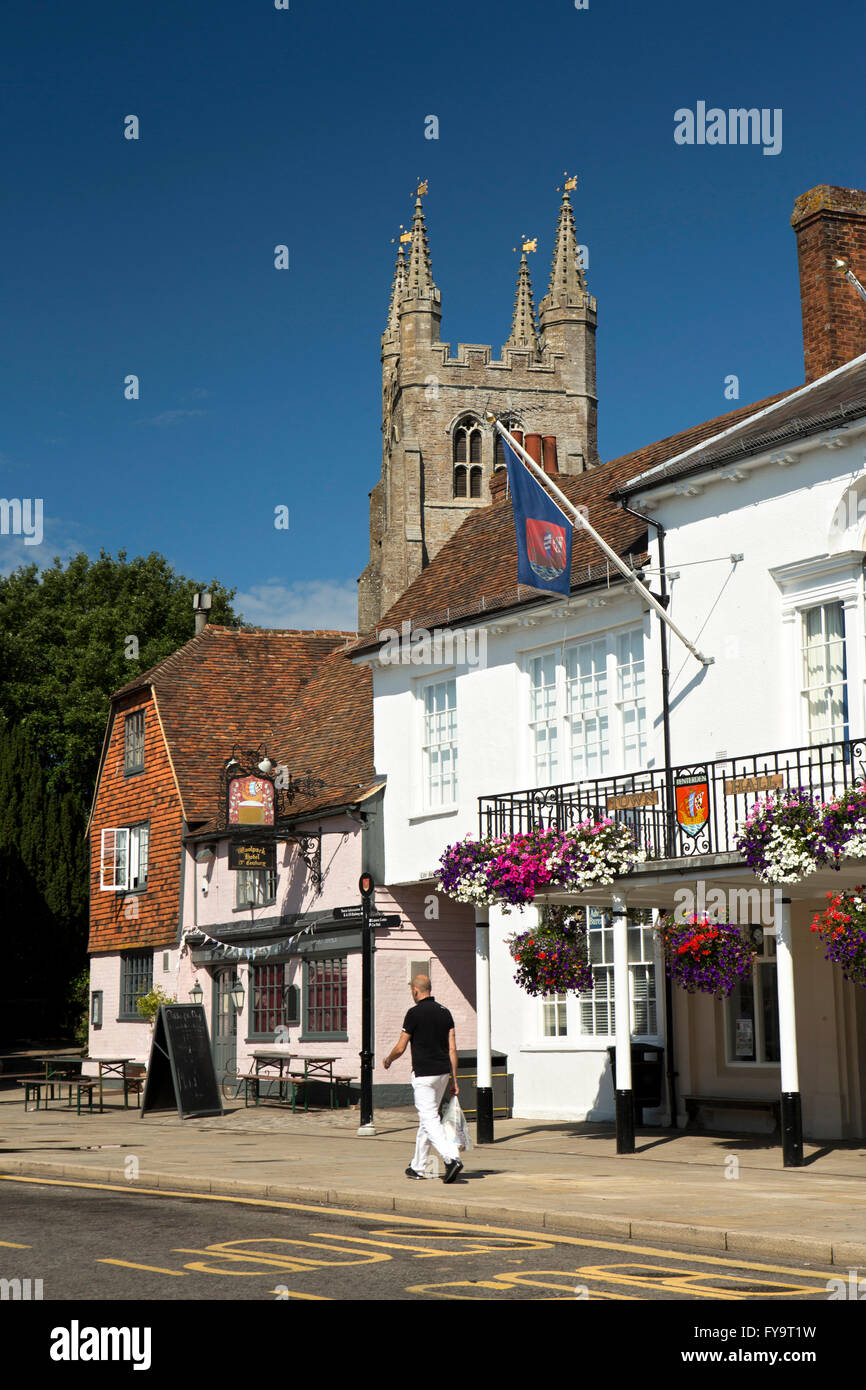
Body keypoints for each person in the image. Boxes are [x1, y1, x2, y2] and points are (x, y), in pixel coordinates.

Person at [382, 974, 463, 1183]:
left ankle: (451, 1158)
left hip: (424, 1075)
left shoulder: (413, 1013)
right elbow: (452, 1049)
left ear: (416, 991)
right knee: (426, 1121)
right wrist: (454, 1079)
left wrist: (388, 1059)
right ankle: (417, 1167)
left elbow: (401, 1047)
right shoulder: (446, 1013)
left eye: (412, 991)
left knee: (430, 1119)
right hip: (443, 1073)